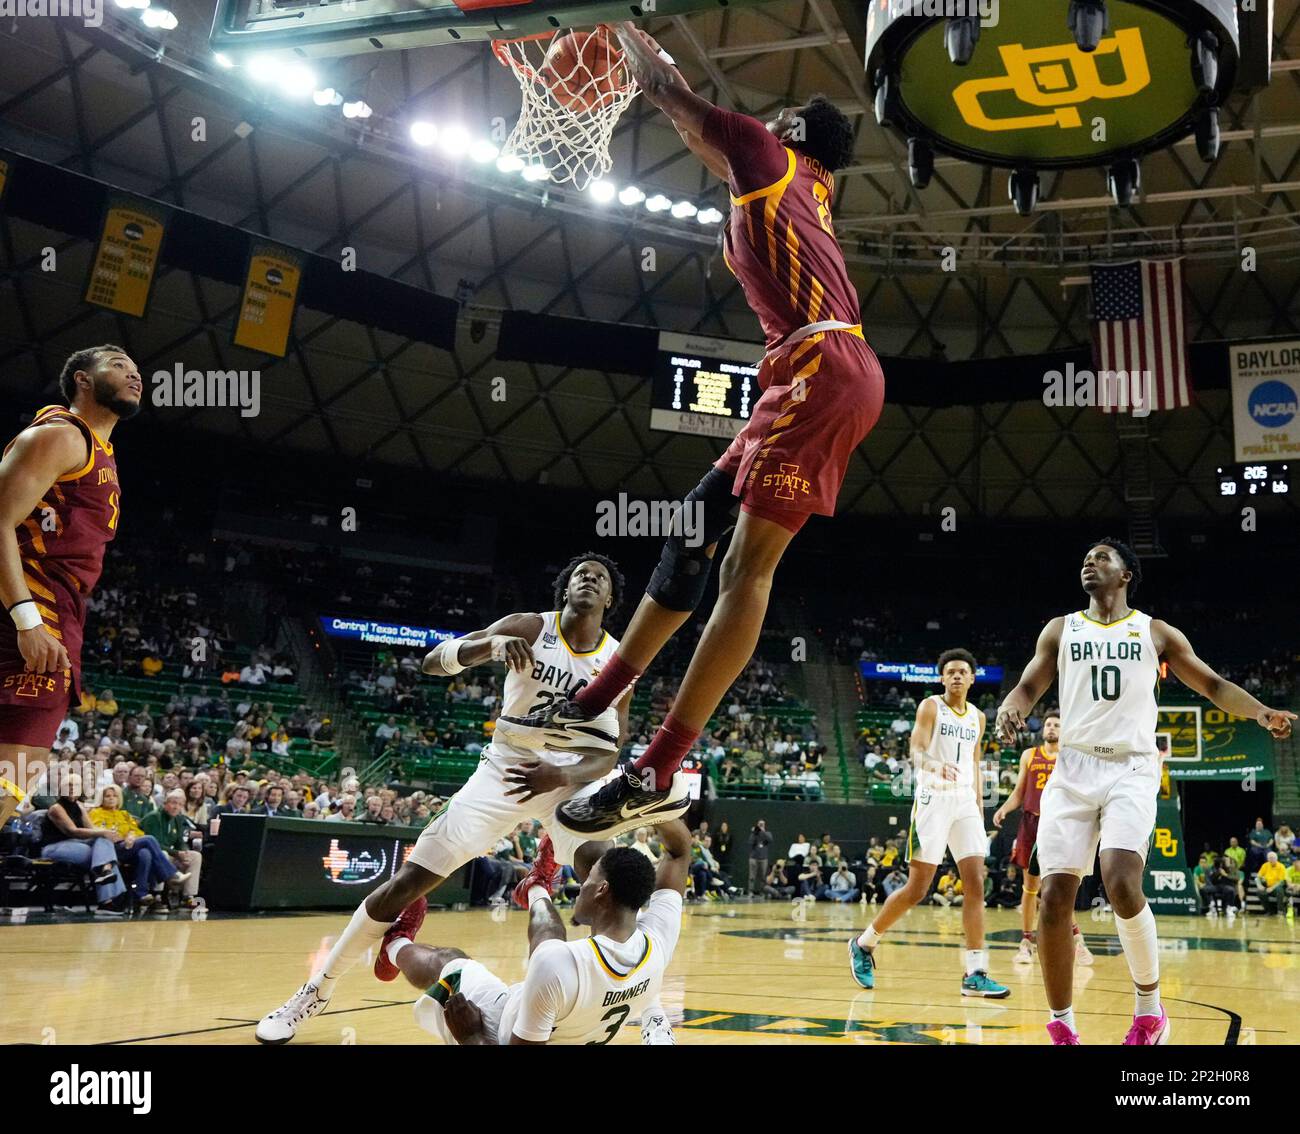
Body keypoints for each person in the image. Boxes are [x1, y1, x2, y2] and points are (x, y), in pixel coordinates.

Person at [500, 25, 884, 840]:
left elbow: (673, 97)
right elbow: (688, 129)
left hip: (823, 371)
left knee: (746, 572)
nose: (765, 118)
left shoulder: (768, 154)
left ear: (789, 133)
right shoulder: (793, 180)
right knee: (692, 533)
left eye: (779, 115)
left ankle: (655, 768)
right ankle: (596, 699)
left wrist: (619, 31)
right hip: (798, 371)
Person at [257, 554, 683, 1044]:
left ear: (610, 600)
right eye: (581, 574)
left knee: (612, 880)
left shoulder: (617, 659)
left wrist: (559, 773)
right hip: (506, 766)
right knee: (407, 883)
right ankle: (315, 991)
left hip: (565, 779)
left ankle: (650, 1011)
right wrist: (486, 645)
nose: (589, 579)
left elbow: (607, 752)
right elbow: (431, 661)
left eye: (601, 578)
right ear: (565, 589)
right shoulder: (528, 627)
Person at [994, 537, 1295, 1045]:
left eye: (1101, 557)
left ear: (1126, 574)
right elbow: (1028, 686)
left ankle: (1150, 1011)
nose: (1089, 563)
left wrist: (1262, 713)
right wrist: (1011, 707)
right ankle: (1062, 1024)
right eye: (1086, 558)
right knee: (1053, 898)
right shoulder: (1060, 629)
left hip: (1132, 767)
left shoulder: (1154, 632)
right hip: (1072, 769)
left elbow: (1214, 686)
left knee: (1120, 879)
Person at [372, 819, 690, 1046]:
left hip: (497, 1031)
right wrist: (654, 804)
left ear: (602, 890)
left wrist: (470, 1035)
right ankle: (537, 885)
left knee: (452, 964)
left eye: (589, 878)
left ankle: (394, 944)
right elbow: (679, 852)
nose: (581, 886)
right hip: (566, 1020)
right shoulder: (658, 943)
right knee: (549, 948)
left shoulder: (559, 964)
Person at [0, 346, 141, 830]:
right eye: (119, 366)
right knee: (10, 780)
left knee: (12, 781)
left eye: (137, 370)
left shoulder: (102, 452)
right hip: (26, 611)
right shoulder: (61, 435)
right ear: (83, 379)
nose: (134, 374)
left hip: (58, 612)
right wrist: (26, 619)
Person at [850, 649, 1009, 999]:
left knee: (976, 883)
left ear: (972, 678)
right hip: (933, 800)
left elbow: (976, 762)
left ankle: (975, 972)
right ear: (942, 678)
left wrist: (980, 810)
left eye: (962, 671)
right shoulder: (930, 707)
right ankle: (864, 943)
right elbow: (917, 751)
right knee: (918, 889)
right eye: (950, 671)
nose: (956, 676)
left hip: (965, 802)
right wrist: (933, 766)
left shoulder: (979, 718)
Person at [992, 713, 1092, 965]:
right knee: (1030, 887)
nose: (1051, 727)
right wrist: (1004, 808)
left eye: (1057, 724)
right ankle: (1026, 941)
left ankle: (1077, 941)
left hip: (1058, 823)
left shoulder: (1069, 756)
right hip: (1030, 823)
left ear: (1064, 730)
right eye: (1048, 724)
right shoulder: (1029, 755)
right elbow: (1019, 793)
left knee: (1059, 885)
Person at [40, 771, 128, 914]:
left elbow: (91, 829)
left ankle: (105, 872)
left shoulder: (80, 806)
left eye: (75, 785)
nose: (72, 788)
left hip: (76, 844)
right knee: (101, 853)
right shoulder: (56, 808)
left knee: (102, 843)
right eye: (68, 785)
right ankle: (108, 901)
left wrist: (105, 834)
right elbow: (72, 831)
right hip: (54, 847)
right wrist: (103, 832)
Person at [89, 783, 184, 905]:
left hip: (126, 847)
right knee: (149, 839)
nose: (111, 798)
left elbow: (137, 830)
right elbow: (95, 830)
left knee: (145, 853)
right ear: (102, 798)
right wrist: (121, 835)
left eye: (115, 796)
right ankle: (171, 874)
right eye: (107, 796)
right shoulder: (96, 812)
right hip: (109, 849)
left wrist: (131, 836)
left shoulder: (123, 814)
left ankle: (141, 893)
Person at [142, 788, 203, 908]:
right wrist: (177, 853)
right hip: (151, 854)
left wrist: (184, 852)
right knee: (163, 854)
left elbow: (180, 841)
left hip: (171, 853)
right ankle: (156, 895)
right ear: (165, 803)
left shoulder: (178, 819)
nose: (176, 807)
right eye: (173, 803)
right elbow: (155, 844)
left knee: (195, 856)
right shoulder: (154, 817)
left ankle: (189, 897)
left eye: (180, 804)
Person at [748, 819, 773, 895]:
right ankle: (750, 891)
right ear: (757, 824)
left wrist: (763, 831)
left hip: (763, 858)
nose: (761, 825)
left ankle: (762, 891)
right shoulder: (754, 834)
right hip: (754, 858)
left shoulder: (767, 833)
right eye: (760, 824)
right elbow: (750, 842)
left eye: (762, 824)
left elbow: (770, 840)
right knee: (752, 876)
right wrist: (754, 832)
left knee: (763, 876)